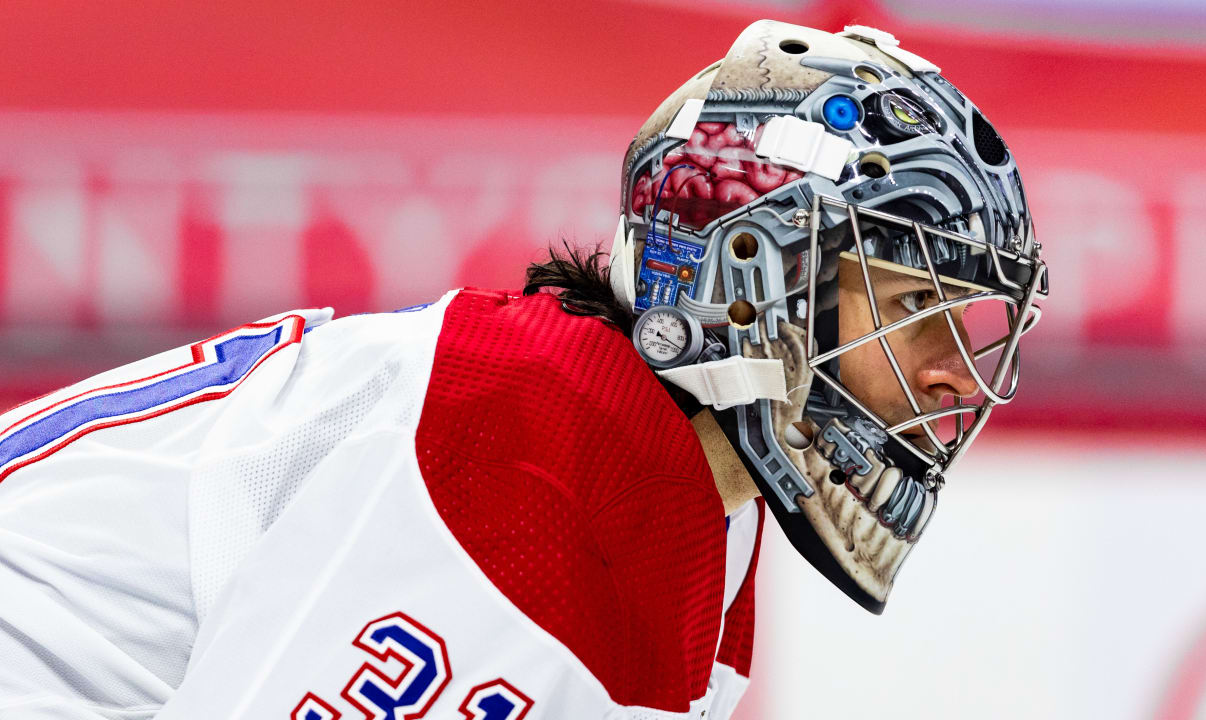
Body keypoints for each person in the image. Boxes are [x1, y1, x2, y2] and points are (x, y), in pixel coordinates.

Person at [0, 19, 1047, 720]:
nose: (953, 376)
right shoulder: (535, 450)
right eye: (915, 307)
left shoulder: (688, 502)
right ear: (751, 271)